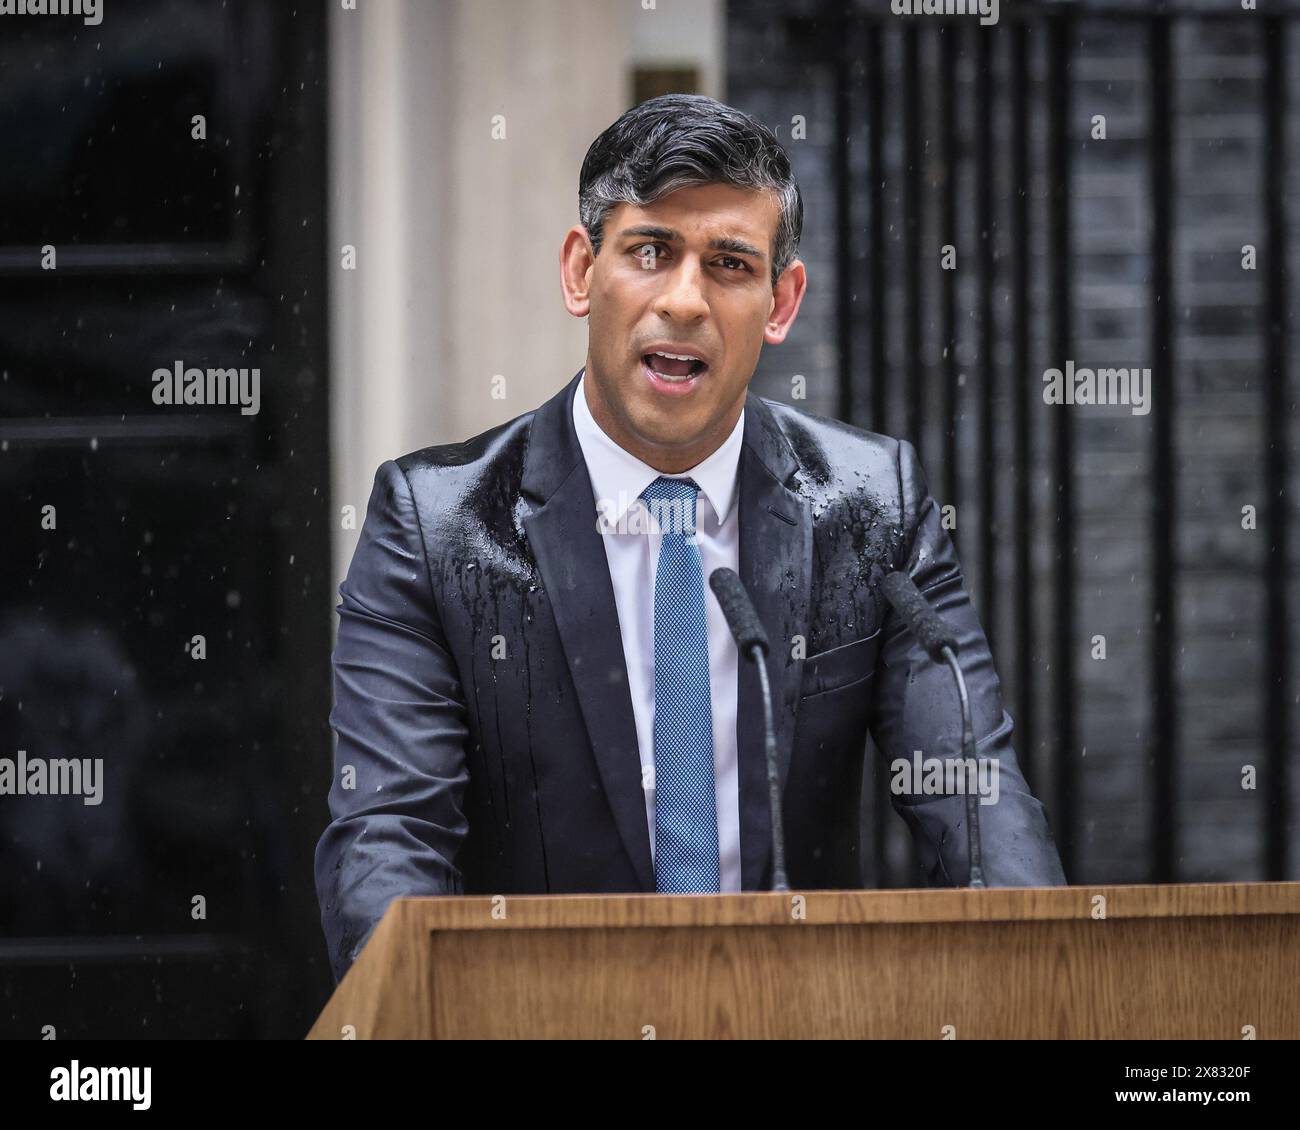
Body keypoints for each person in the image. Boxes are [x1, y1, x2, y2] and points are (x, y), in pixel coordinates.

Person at [314, 93, 1065, 983]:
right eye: (650, 251)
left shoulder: (871, 506)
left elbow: (975, 801)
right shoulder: (435, 527)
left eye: (730, 264)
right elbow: (388, 841)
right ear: (580, 271)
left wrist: (1044, 981)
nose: (684, 300)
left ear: (781, 301)